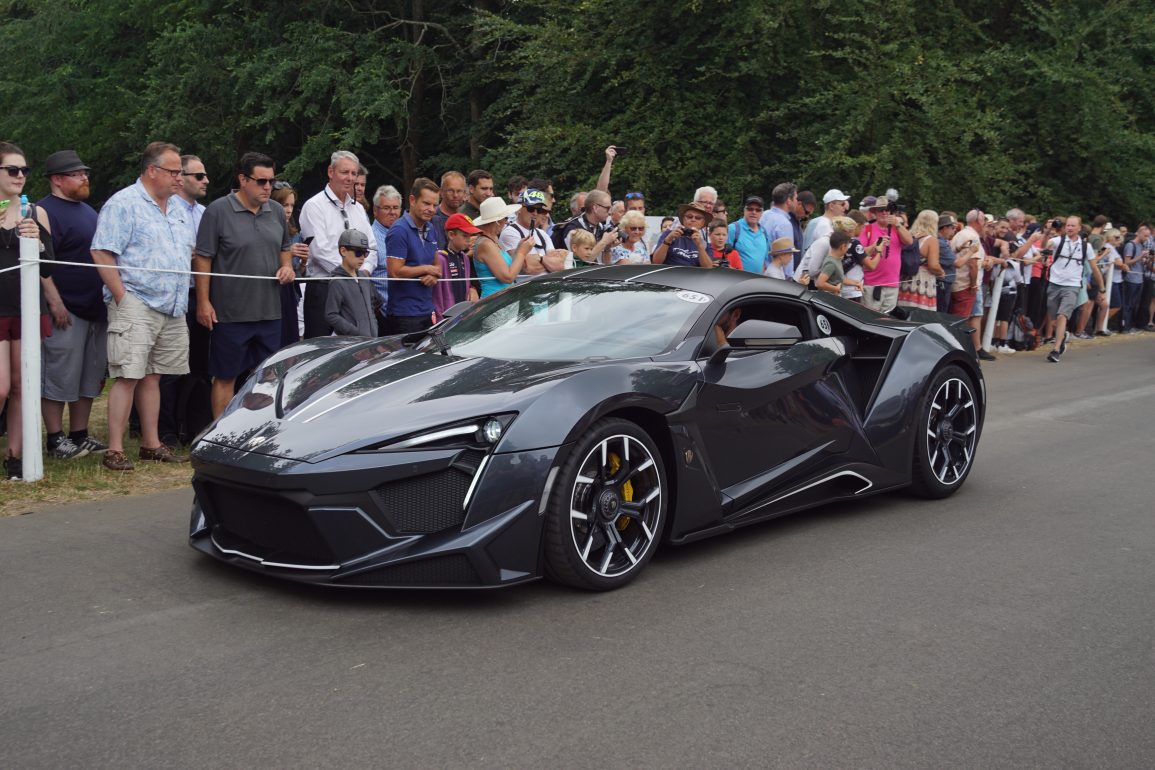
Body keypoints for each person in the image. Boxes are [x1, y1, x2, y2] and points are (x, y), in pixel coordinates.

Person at [90, 141, 194, 471]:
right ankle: (115, 449)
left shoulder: (177, 208)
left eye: (181, 172)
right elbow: (101, 252)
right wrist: (121, 296)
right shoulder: (124, 204)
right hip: (136, 300)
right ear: (152, 171)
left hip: (172, 305)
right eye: (174, 171)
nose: (180, 178)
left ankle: (151, 444)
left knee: (154, 376)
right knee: (128, 375)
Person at [193, 152, 295, 418]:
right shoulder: (217, 210)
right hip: (230, 313)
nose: (268, 187)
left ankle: (256, 430)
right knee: (225, 376)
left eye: (271, 181)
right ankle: (219, 434)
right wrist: (203, 302)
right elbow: (203, 259)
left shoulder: (275, 211)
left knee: (268, 378)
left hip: (270, 311)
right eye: (261, 181)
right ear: (242, 179)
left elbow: (285, 248)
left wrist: (287, 266)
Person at [37, 150, 108, 460]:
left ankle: (79, 434)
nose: (85, 178)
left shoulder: (88, 211)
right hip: (66, 308)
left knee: (89, 375)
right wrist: (55, 301)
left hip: (95, 306)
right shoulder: (42, 211)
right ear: (57, 179)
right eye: (77, 174)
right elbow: (39, 262)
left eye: (85, 172)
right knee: (59, 372)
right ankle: (55, 438)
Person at [0, 141, 56, 479]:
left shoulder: (35, 212)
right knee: (1, 387)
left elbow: (49, 268)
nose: (20, 175)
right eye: (12, 169)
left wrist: (36, 241)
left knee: (22, 385)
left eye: (24, 170)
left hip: (26, 309)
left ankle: (15, 456)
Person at [299, 150, 378, 338]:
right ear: (330, 172)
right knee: (321, 352)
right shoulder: (314, 206)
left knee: (357, 348)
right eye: (345, 172)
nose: (350, 178)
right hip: (325, 288)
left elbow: (373, 248)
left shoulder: (358, 209)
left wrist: (363, 271)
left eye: (354, 173)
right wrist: (351, 274)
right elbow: (320, 251)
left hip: (357, 287)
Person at [1041, 216, 1104, 363]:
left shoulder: (1085, 246)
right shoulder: (1059, 241)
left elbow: (1094, 267)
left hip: (1072, 285)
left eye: (1072, 226)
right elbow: (1045, 245)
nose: (1069, 228)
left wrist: (1101, 287)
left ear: (1079, 228)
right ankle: (1062, 337)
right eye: (1068, 225)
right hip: (1054, 283)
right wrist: (1047, 232)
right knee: (1054, 318)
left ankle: (1056, 350)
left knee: (1063, 315)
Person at [384, 178, 441, 334]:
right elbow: (394, 272)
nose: (431, 209)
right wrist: (426, 269)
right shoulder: (399, 231)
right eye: (426, 203)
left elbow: (438, 266)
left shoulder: (431, 227)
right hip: (404, 314)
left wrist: (433, 276)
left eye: (435, 205)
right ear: (412, 200)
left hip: (427, 309)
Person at [269, 182, 310, 348]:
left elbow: (298, 272)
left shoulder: (295, 233)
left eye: (291, 205)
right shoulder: (267, 229)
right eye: (284, 204)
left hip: (290, 293)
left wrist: (304, 262)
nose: (288, 210)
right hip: (271, 293)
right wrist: (287, 253)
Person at [860, 196, 914, 313]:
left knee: (887, 319)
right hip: (871, 283)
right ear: (875, 212)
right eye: (881, 210)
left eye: (887, 210)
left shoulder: (897, 228)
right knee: (870, 317)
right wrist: (876, 245)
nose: (884, 212)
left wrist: (898, 224)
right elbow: (860, 252)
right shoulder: (868, 228)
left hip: (892, 283)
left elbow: (909, 241)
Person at [473, 196, 532, 297]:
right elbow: (508, 277)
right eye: (506, 218)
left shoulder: (493, 239)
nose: (507, 222)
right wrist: (522, 252)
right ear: (497, 221)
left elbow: (509, 267)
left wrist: (518, 249)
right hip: (493, 302)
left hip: (503, 301)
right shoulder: (486, 244)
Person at [325, 229, 376, 337]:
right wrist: (355, 332)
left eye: (365, 253)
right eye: (358, 252)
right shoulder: (337, 282)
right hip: (351, 342)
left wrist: (374, 328)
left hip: (370, 339)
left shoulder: (364, 277)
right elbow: (331, 315)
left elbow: (372, 305)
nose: (362, 257)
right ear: (343, 251)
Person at [501, 189, 567, 272]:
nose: (535, 213)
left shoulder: (542, 234)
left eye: (539, 210)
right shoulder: (510, 233)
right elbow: (528, 267)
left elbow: (559, 266)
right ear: (519, 209)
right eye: (531, 209)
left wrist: (540, 258)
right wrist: (546, 261)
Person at [433, 213, 480, 320]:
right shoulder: (440, 258)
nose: (469, 239)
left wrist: (472, 290)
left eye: (470, 235)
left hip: (463, 314)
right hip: (446, 317)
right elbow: (437, 295)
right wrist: (440, 319)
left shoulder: (465, 258)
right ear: (451, 235)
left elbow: (467, 284)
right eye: (464, 235)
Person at [369, 184, 402, 331]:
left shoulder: (404, 235)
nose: (392, 212)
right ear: (375, 211)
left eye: (395, 208)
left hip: (405, 311)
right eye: (387, 208)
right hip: (382, 314)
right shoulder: (370, 237)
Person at [896, 209, 944, 310]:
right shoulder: (931, 240)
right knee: (920, 316)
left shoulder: (909, 236)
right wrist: (941, 272)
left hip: (905, 280)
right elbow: (933, 265)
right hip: (922, 282)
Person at [651, 202, 712, 268]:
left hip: (693, 277)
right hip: (670, 276)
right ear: (683, 219)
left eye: (698, 218)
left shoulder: (704, 244)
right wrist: (668, 240)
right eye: (689, 216)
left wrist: (700, 246)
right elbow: (656, 262)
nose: (693, 219)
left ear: (702, 223)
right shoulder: (668, 234)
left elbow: (708, 269)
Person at [727, 196, 769, 273]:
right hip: (736, 280)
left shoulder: (764, 232)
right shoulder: (733, 229)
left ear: (762, 213)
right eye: (750, 209)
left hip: (757, 281)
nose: (754, 212)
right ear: (744, 210)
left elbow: (764, 261)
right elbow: (722, 255)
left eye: (758, 210)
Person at [803, 189, 851, 253]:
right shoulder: (816, 223)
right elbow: (807, 250)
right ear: (831, 206)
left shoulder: (834, 225)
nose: (844, 207)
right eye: (842, 204)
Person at [429, 170, 466, 250]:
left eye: (459, 191)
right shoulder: (431, 218)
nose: (455, 195)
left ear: (464, 193)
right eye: (450, 191)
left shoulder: (466, 219)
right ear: (441, 192)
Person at [815, 231, 852, 295]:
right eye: (847, 247)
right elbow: (819, 283)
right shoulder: (831, 263)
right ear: (843, 247)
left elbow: (839, 278)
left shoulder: (837, 259)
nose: (847, 249)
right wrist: (836, 289)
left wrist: (856, 283)